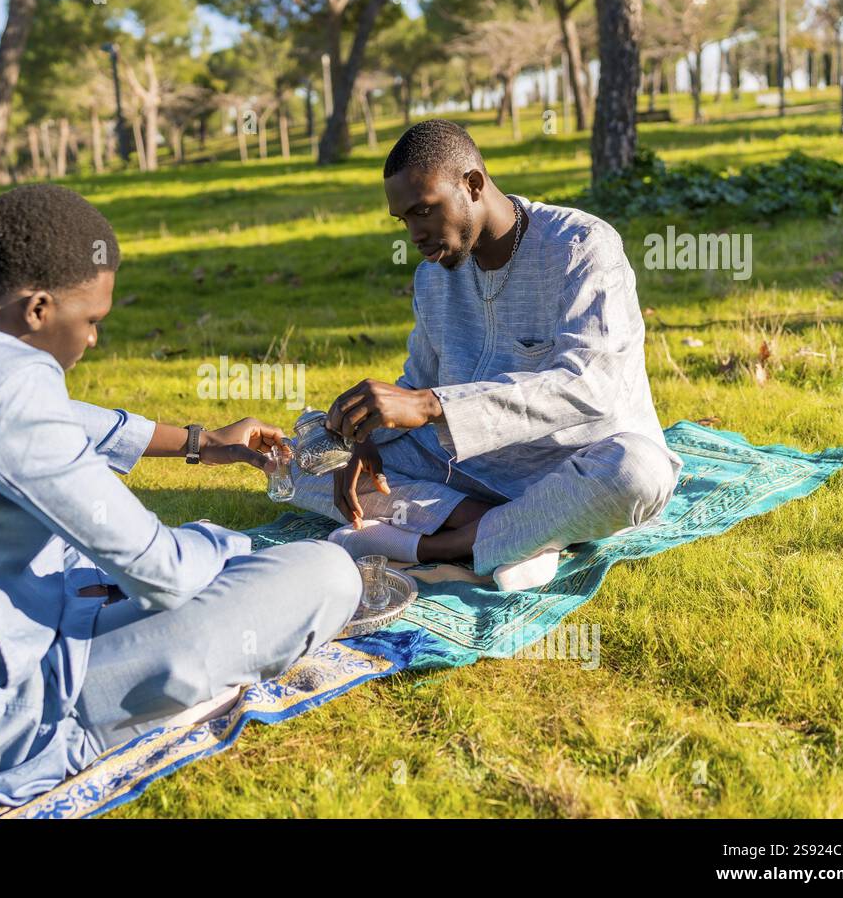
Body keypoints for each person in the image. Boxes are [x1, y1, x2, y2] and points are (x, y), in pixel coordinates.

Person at [0, 184, 360, 817]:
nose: (92, 340)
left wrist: (201, 442)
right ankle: (97, 724)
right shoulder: (7, 385)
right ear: (38, 308)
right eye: (91, 321)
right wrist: (226, 544)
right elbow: (166, 575)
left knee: (77, 547)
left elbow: (58, 420)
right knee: (323, 573)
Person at [286, 119, 682, 592]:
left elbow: (589, 386)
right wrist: (367, 432)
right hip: (467, 473)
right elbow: (420, 380)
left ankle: (437, 547)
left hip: (576, 465)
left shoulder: (580, 247)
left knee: (639, 472)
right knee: (302, 463)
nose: (414, 234)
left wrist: (432, 405)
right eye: (404, 220)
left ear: (473, 184)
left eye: (424, 211)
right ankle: (518, 532)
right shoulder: (434, 275)